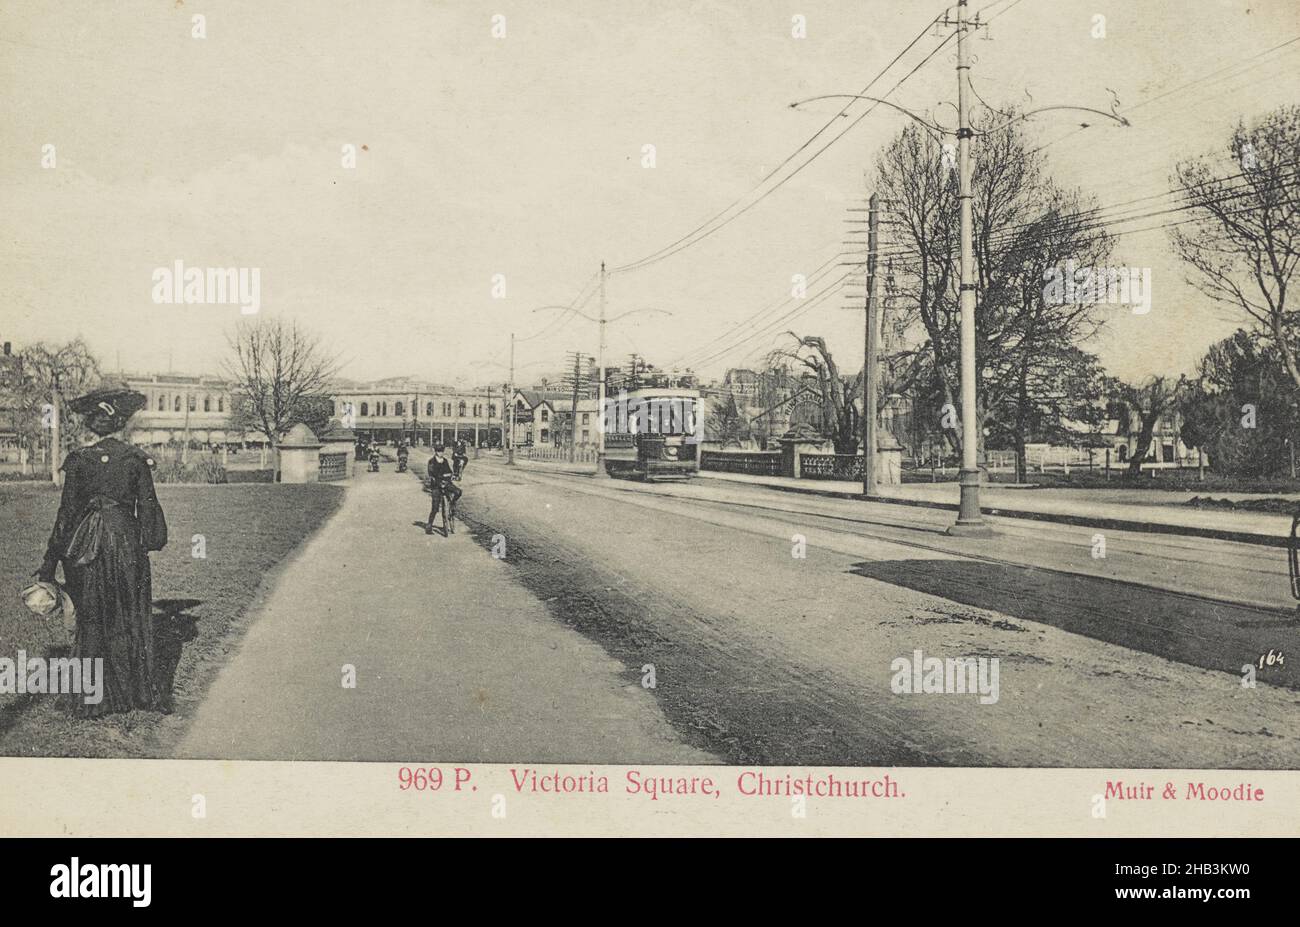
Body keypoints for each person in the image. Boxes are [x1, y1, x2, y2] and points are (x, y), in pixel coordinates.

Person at [36, 384, 168, 717]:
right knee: (129, 616)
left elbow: (65, 517)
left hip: (85, 549)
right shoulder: (136, 460)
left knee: (91, 619)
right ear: (121, 423)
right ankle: (136, 693)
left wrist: (48, 567)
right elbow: (149, 509)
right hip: (126, 546)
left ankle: (92, 697)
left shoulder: (79, 460)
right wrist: (148, 542)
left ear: (92, 425)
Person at [425, 444, 461, 534]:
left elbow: (449, 471)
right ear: (436, 452)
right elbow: (431, 473)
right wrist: (437, 477)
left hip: (446, 483)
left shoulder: (445, 461)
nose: (440, 453)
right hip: (436, 485)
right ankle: (429, 526)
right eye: (439, 451)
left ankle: (452, 504)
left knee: (458, 492)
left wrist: (451, 475)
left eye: (442, 451)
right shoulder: (431, 461)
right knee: (435, 507)